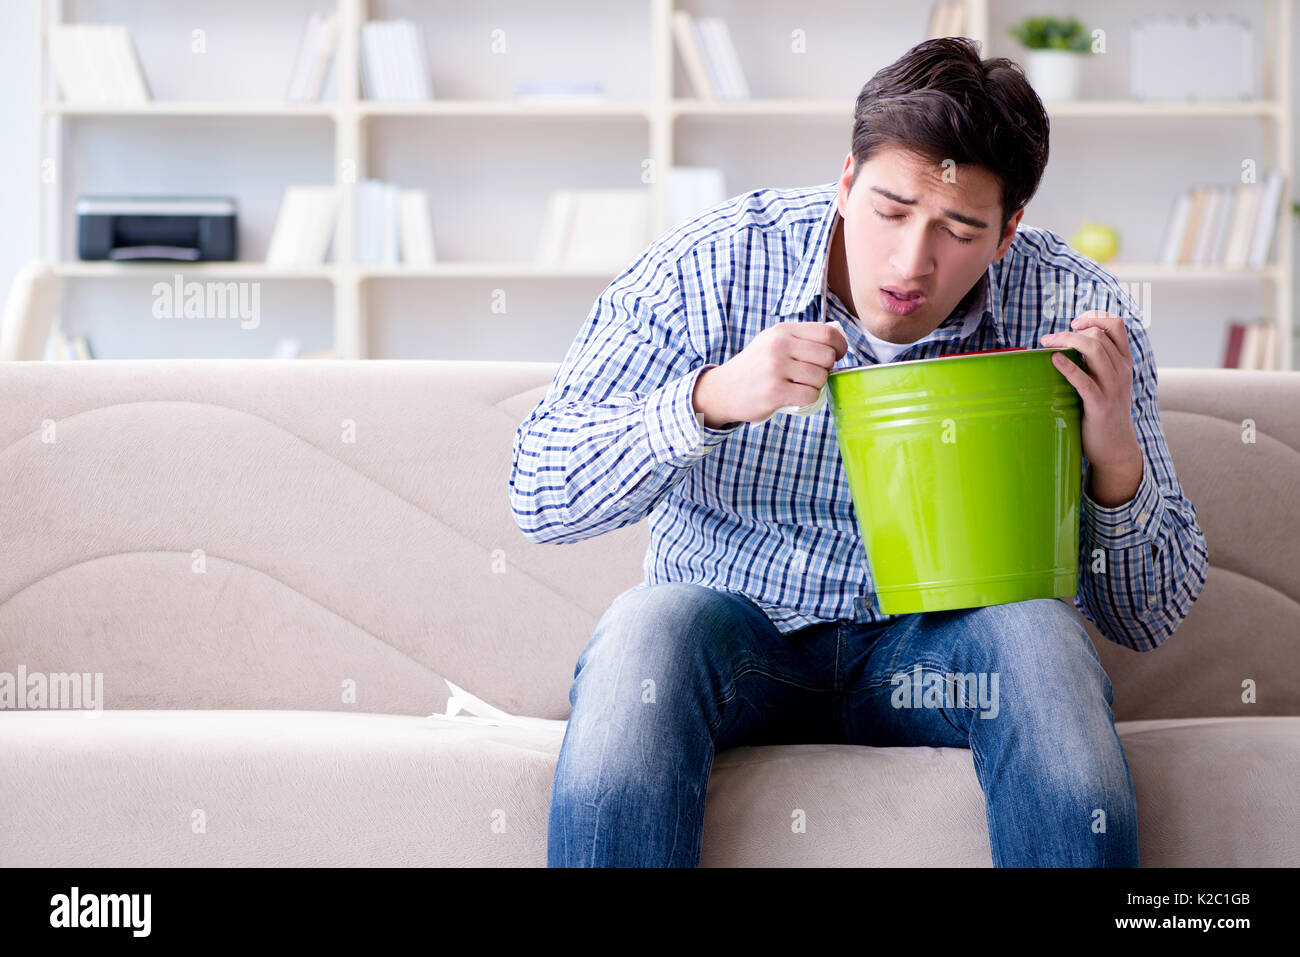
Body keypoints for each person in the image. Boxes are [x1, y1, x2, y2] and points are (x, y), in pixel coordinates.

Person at [508, 36, 1209, 867]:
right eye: (889, 210)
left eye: (958, 229)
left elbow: (1149, 616)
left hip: (941, 656)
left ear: (1009, 230)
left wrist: (1116, 462)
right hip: (738, 647)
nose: (912, 263)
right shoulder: (715, 264)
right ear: (846, 180)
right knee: (646, 627)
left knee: (1038, 635)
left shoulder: (1075, 306)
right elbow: (538, 492)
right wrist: (708, 401)